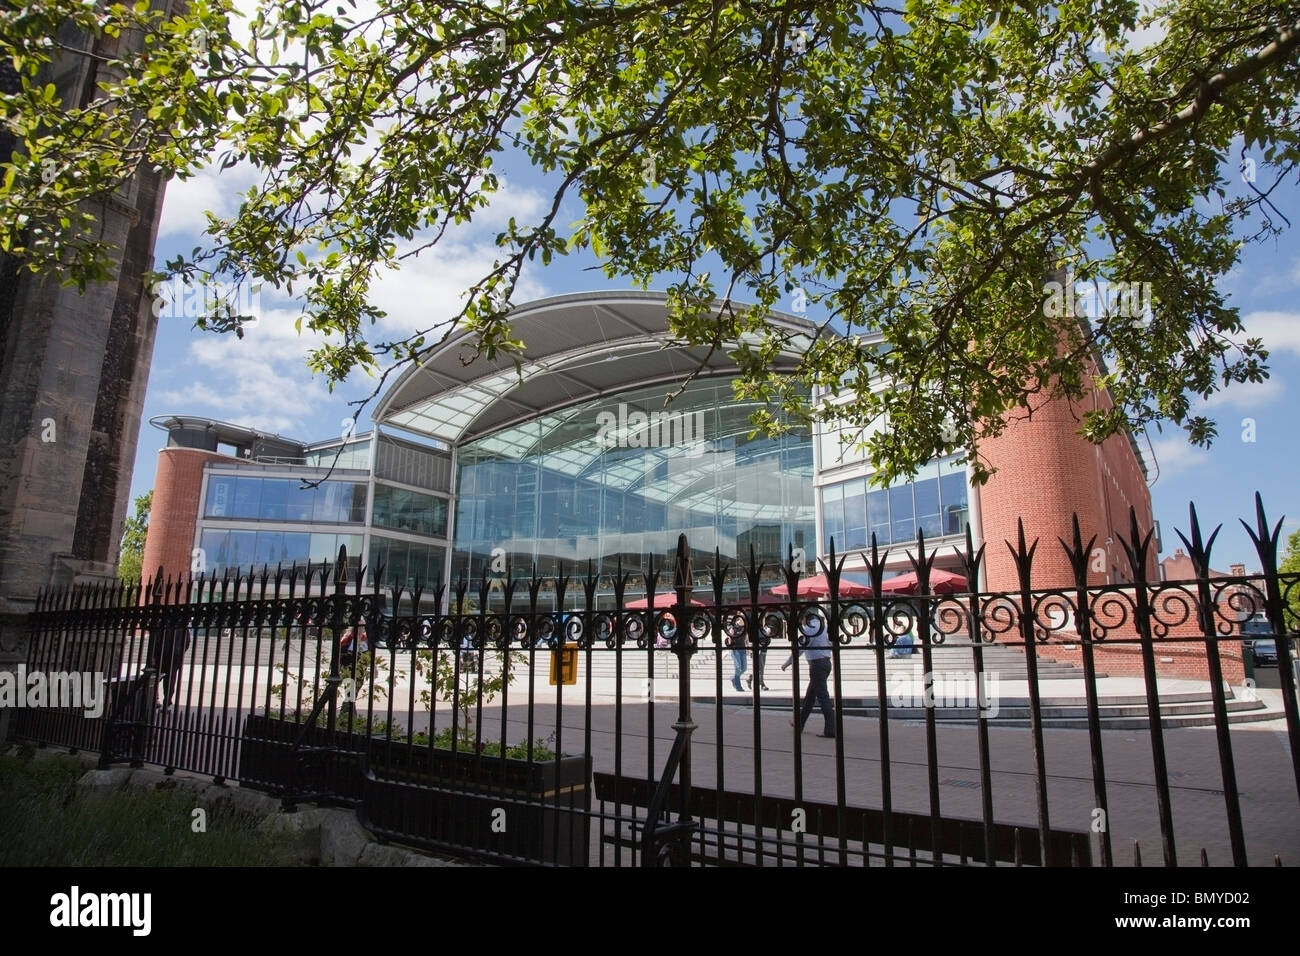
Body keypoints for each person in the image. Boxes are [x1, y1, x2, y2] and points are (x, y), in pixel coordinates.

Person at [782, 614, 835, 738]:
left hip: (816, 664)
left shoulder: (810, 629)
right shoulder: (824, 627)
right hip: (826, 662)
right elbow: (832, 643)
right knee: (810, 697)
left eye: (802, 620)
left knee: (823, 697)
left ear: (806, 619)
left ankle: (831, 729)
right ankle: (799, 723)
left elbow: (800, 648)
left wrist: (787, 663)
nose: (802, 623)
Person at [151, 620, 190, 708]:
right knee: (169, 681)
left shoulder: (163, 624)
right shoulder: (182, 626)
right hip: (171, 657)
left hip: (164, 656)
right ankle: (165, 701)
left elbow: (156, 641)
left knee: (157, 679)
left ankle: (158, 699)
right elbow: (187, 642)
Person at [727, 618, 748, 692]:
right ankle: (738, 686)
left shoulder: (744, 628)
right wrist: (729, 648)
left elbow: (746, 638)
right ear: (739, 619)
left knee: (744, 668)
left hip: (743, 649)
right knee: (738, 667)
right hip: (735, 649)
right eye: (742, 619)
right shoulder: (734, 627)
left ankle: (733, 678)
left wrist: (748, 648)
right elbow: (729, 637)